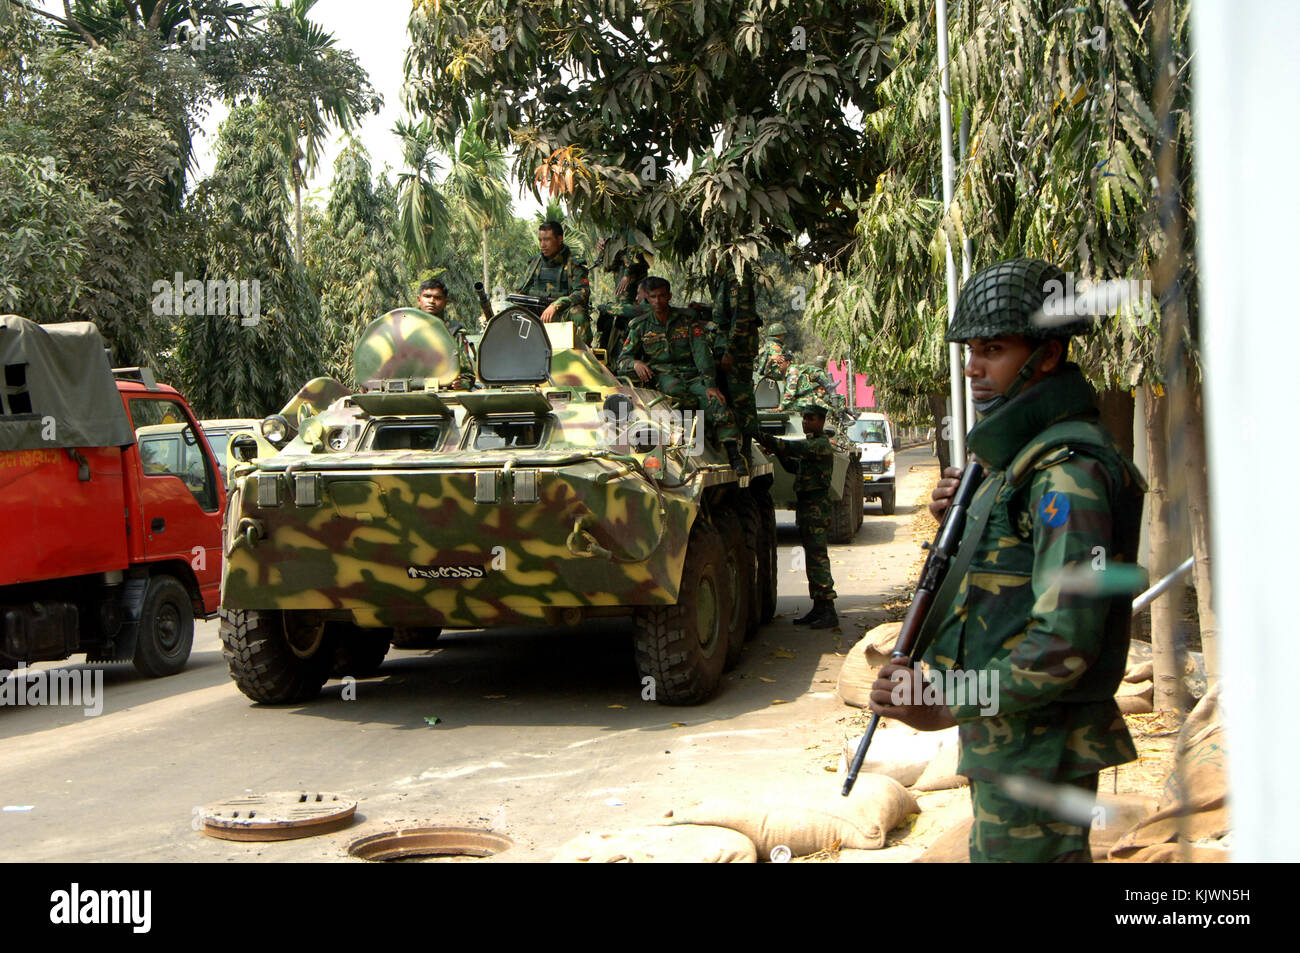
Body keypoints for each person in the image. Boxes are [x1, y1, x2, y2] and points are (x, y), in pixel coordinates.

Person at [866, 257, 1145, 863]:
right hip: (1014, 739)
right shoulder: (1025, 460)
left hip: (1039, 747)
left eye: (993, 348)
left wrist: (946, 702)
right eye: (970, 349)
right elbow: (1009, 572)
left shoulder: (1066, 472)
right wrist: (964, 523)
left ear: (1046, 356)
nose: (973, 368)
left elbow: (1063, 644)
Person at [615, 276, 747, 473]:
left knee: (716, 402)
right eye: (653, 297)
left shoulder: (687, 320)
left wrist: (710, 384)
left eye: (661, 296)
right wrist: (635, 364)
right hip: (663, 377)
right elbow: (621, 361)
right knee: (674, 391)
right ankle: (687, 438)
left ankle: (734, 456)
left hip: (693, 375)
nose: (658, 301)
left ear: (669, 296)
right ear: (647, 299)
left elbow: (701, 352)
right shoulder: (639, 326)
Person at [753, 403, 838, 628]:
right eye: (804, 418)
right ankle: (819, 607)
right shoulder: (812, 446)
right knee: (812, 558)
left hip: (816, 507)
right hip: (808, 507)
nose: (806, 422)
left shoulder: (819, 445)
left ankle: (828, 609)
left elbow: (790, 448)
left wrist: (760, 435)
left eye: (810, 418)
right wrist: (778, 453)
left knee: (817, 558)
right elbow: (793, 465)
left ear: (821, 421)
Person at [710, 266, 762, 450]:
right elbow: (725, 311)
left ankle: (746, 448)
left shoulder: (737, 277)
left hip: (736, 351)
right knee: (729, 397)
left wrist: (730, 351)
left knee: (740, 399)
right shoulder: (724, 278)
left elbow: (740, 316)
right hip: (727, 345)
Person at [516, 220, 592, 344]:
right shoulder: (535, 262)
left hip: (561, 314)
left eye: (547, 240)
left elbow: (582, 293)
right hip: (537, 314)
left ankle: (582, 355)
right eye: (540, 240)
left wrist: (556, 305)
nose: (542, 245)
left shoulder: (574, 263)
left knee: (578, 314)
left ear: (559, 239)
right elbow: (521, 290)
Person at [414, 278, 475, 390]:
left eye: (437, 298)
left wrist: (461, 384)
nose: (431, 301)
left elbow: (468, 376)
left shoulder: (453, 331)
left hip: (443, 392)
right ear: (419, 299)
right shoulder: (406, 328)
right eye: (427, 296)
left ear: (445, 303)